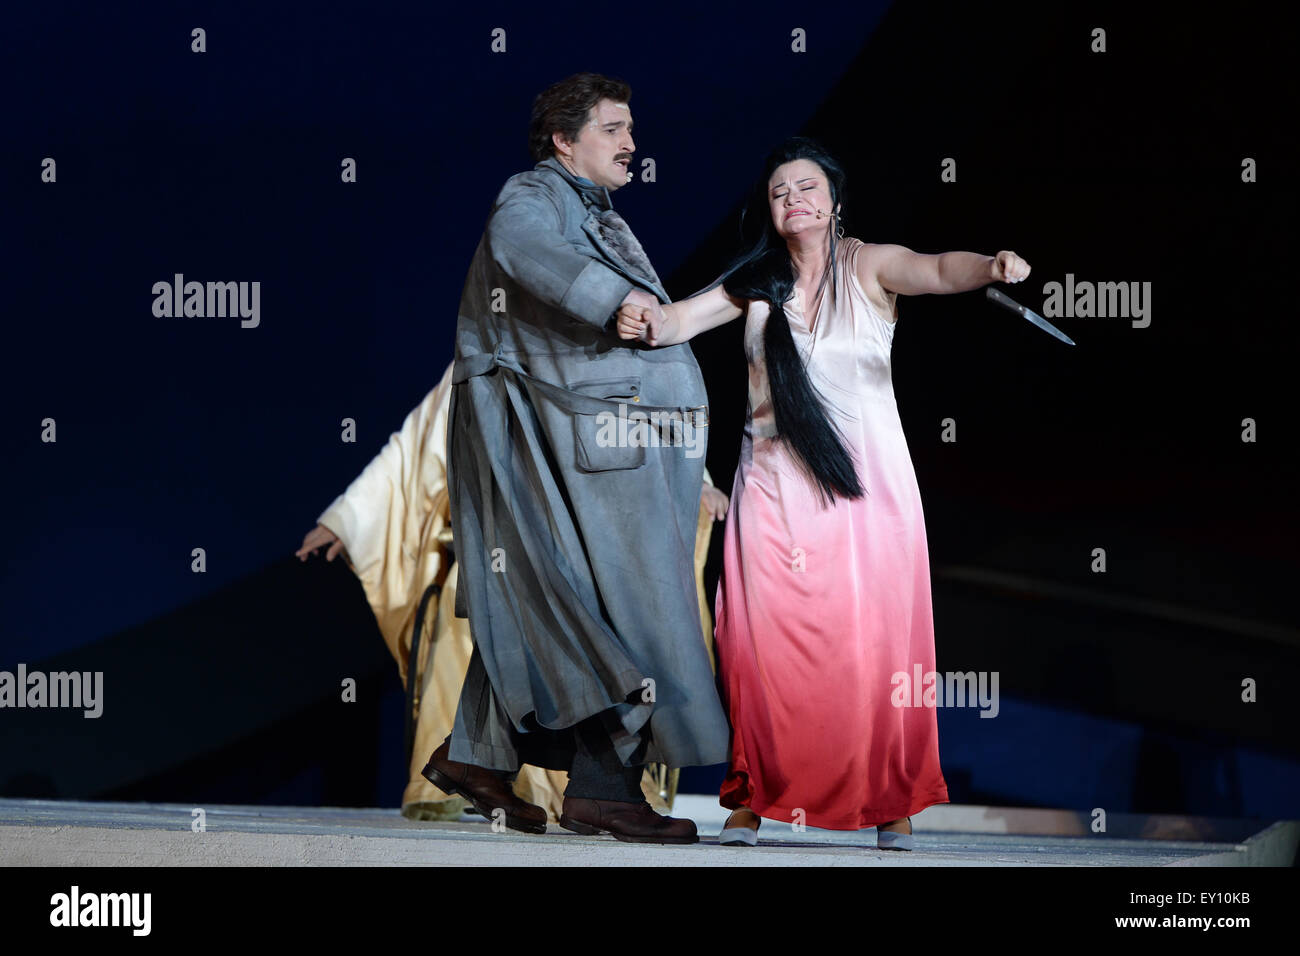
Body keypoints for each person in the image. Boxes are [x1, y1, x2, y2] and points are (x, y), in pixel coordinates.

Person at [617, 136, 1031, 850]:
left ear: (834, 201)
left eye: (806, 187)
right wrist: (641, 317)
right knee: (755, 645)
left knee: (870, 648)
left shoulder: (868, 265)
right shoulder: (757, 280)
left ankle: (891, 800)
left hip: (864, 491)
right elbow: (678, 318)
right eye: (780, 193)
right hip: (773, 492)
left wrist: (988, 265)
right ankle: (751, 797)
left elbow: (934, 270)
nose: (793, 200)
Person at [421, 72, 731, 844]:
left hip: (593, 439)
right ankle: (602, 789)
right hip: (557, 439)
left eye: (631, 129)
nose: (633, 144)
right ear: (566, 140)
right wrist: (608, 299)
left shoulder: (591, 208)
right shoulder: (535, 195)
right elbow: (519, 245)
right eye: (615, 130)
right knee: (605, 605)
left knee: (549, 594)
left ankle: (476, 758)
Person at [295, 363, 729, 823]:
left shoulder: (597, 345)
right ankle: (478, 766)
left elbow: (638, 418)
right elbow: (411, 448)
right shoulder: (491, 350)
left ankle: (579, 783)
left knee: (596, 609)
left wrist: (698, 484)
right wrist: (346, 519)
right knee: (470, 617)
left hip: (584, 543)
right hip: (500, 543)